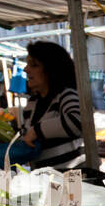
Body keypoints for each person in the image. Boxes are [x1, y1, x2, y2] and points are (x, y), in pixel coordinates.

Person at [19, 41, 85, 169]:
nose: (26, 69)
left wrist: (37, 131)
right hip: (44, 179)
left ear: (51, 69)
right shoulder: (32, 103)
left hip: (71, 179)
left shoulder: (66, 95)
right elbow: (27, 138)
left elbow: (78, 121)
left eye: (34, 65)